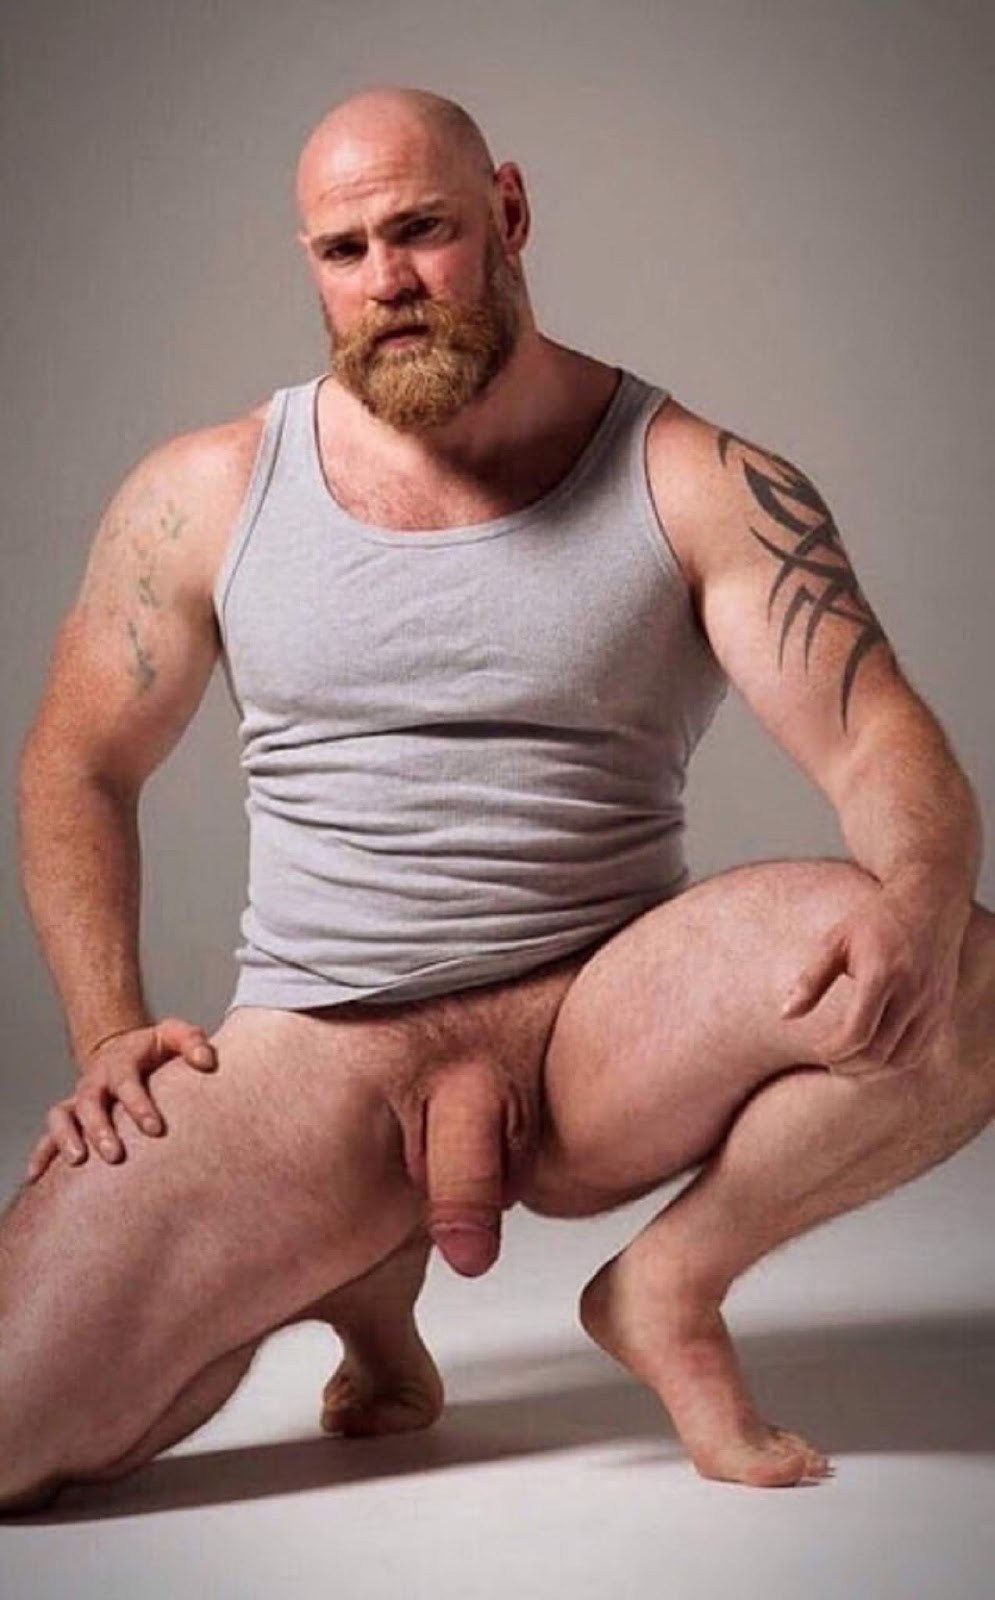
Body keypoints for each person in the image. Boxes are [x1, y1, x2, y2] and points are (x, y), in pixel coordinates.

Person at [2, 84, 993, 1512]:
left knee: (968, 973)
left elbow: (875, 740)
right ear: (311, 264)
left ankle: (667, 1286)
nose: (388, 281)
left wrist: (917, 901)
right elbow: (75, 763)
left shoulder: (697, 479)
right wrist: (107, 1030)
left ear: (509, 213)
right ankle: (351, 1265)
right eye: (345, 251)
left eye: (423, 230)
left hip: (604, 1021)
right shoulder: (206, 492)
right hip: (320, 1046)